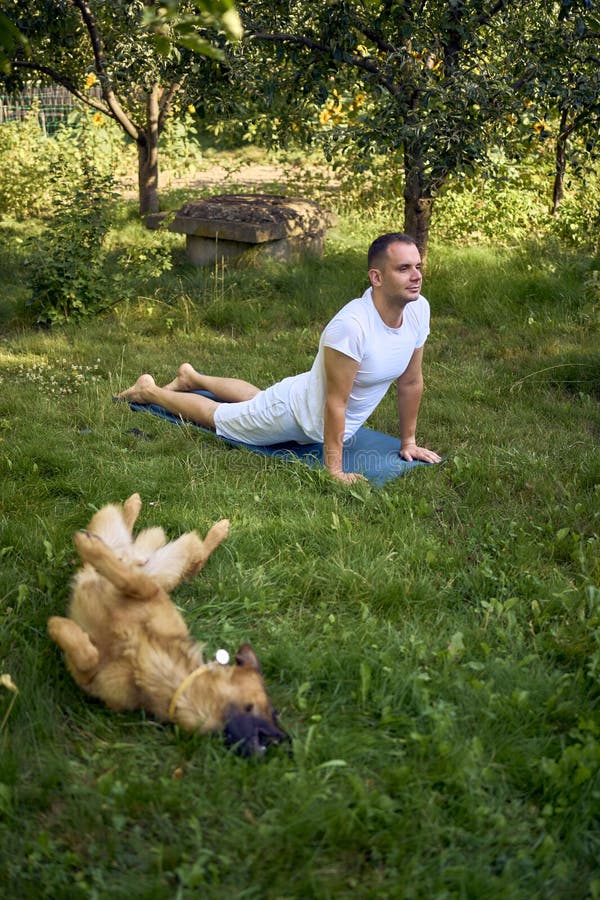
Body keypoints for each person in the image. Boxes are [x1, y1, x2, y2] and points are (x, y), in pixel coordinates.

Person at [118, 232, 442, 484]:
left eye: (418, 267)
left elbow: (411, 381)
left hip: (298, 401)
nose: (416, 276)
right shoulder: (352, 326)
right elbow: (336, 403)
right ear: (377, 277)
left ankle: (193, 378)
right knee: (221, 419)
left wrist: (409, 442)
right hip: (296, 416)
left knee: (259, 401)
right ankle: (151, 391)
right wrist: (334, 470)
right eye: (403, 268)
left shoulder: (418, 309)